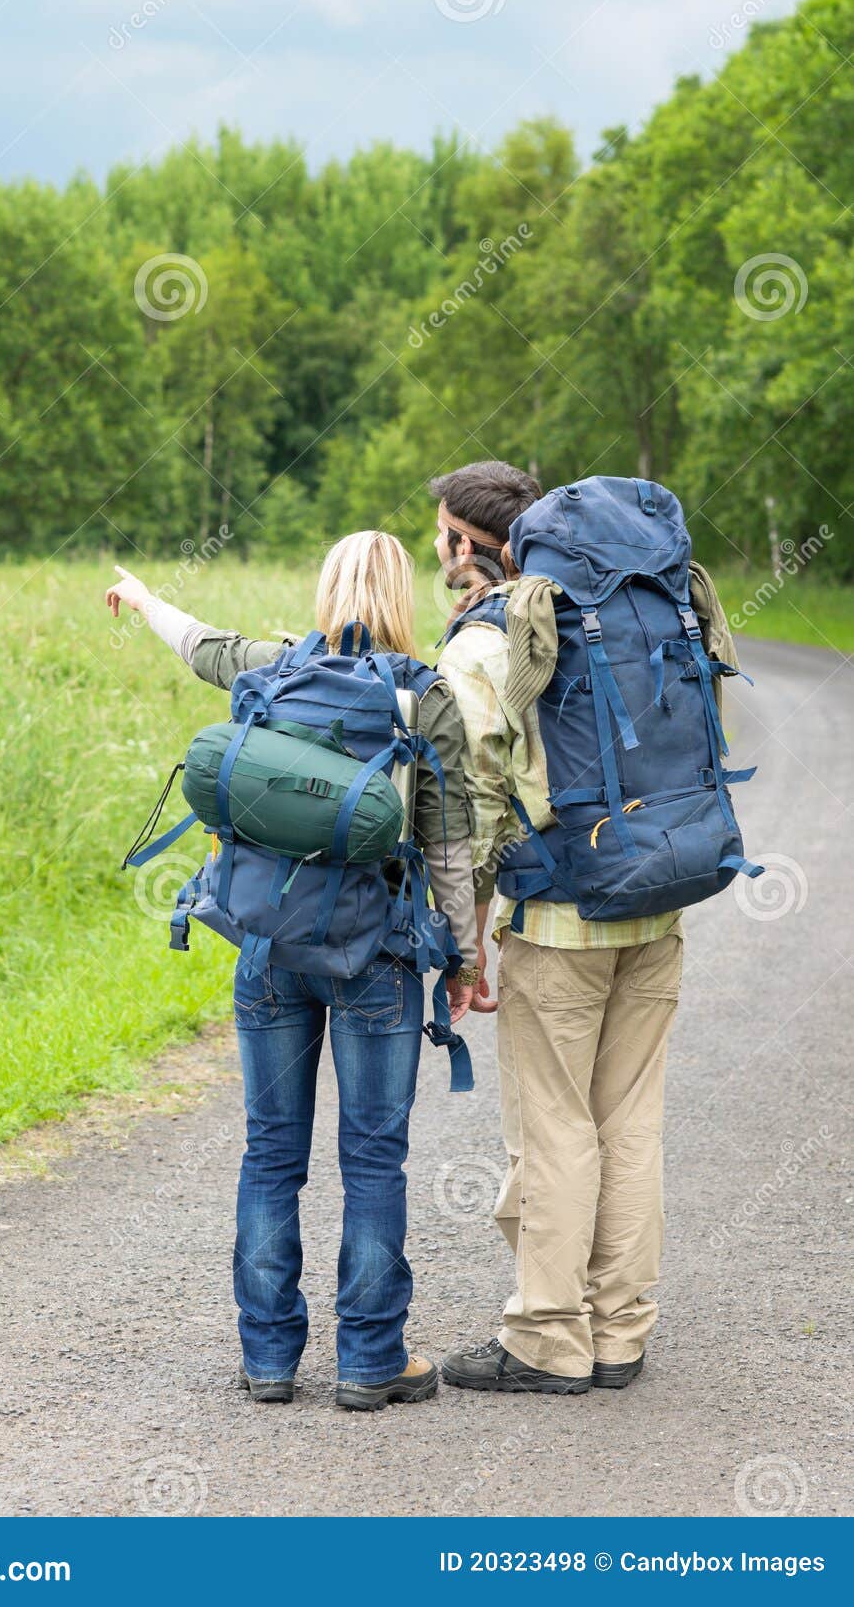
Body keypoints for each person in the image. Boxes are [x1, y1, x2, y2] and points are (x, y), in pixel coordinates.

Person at [106, 531, 480, 1412]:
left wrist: (143, 595)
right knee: (374, 1160)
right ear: (401, 594)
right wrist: (462, 960)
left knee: (271, 1154)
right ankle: (368, 1363)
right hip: (375, 959)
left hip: (269, 949)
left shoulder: (275, 668)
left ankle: (269, 1360)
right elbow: (449, 850)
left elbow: (198, 645)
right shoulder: (424, 697)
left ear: (325, 591)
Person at [429, 460, 737, 1397]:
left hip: (557, 920)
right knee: (629, 1122)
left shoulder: (487, 642)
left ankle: (547, 1339)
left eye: (439, 534)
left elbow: (472, 808)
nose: (433, 550)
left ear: (468, 545)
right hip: (656, 900)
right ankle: (620, 1334)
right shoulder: (642, 605)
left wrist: (464, 941)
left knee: (555, 1128)